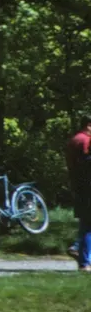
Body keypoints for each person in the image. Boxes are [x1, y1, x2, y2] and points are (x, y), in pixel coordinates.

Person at [66, 115, 91, 271]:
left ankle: (78, 249)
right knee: (88, 224)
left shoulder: (74, 140)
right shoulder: (85, 141)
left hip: (79, 186)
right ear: (89, 125)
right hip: (87, 187)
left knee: (86, 223)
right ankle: (84, 261)